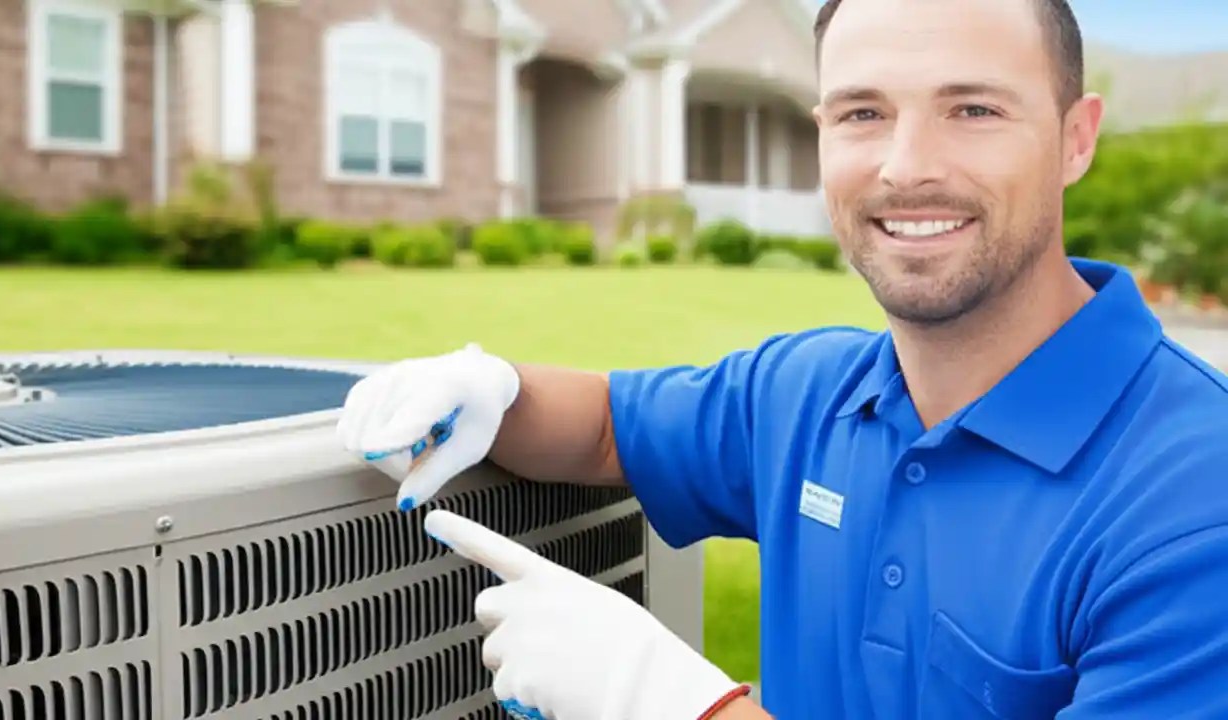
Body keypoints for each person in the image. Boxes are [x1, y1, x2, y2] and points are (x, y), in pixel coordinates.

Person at [337, 0, 1228, 717]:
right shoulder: (805, 396)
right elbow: (607, 427)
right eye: (862, 113)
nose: (905, 166)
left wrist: (675, 705)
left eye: (974, 110)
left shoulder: (1195, 494)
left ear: (1077, 138)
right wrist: (495, 390)